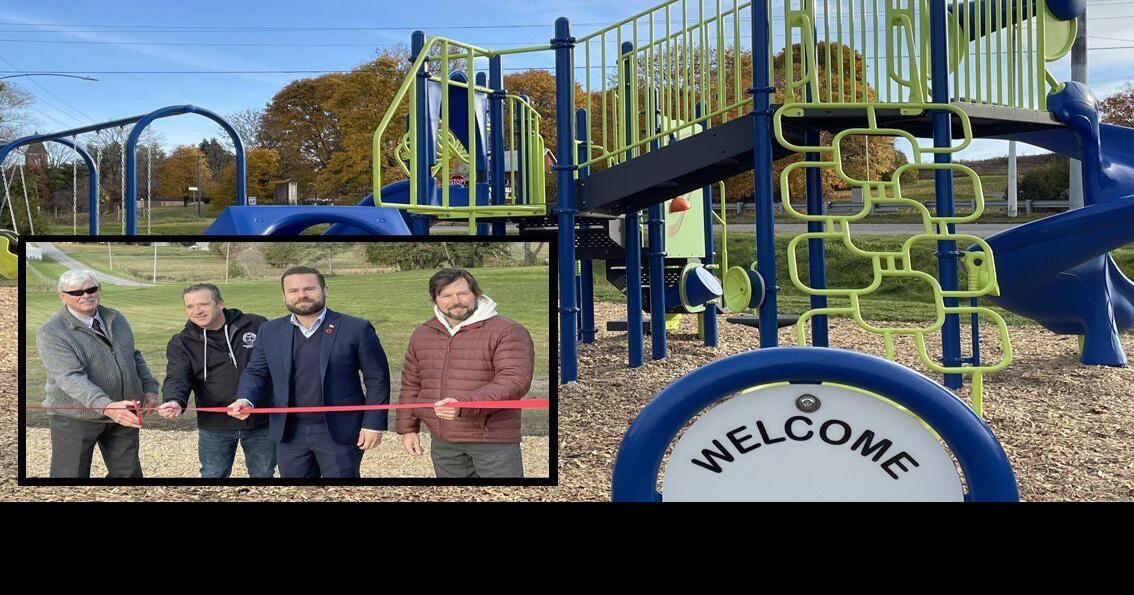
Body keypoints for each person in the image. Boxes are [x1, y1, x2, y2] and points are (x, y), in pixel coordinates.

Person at [228, 266, 390, 478]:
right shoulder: (269, 330)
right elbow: (256, 372)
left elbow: (377, 379)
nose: (301, 295)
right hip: (289, 432)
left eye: (309, 289)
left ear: (325, 290)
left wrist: (373, 424)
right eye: (293, 291)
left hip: (339, 432)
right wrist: (246, 399)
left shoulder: (356, 328)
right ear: (283, 295)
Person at [395, 268, 535, 478]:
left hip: (493, 441)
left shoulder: (507, 331)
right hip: (444, 444)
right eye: (446, 296)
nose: (456, 301)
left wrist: (463, 404)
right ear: (435, 300)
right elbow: (411, 384)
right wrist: (408, 429)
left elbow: (514, 381)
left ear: (476, 293)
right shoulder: (422, 334)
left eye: (462, 293)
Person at [36, 269, 160, 478]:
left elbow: (133, 355)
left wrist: (149, 388)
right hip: (74, 417)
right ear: (62, 296)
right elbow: (70, 378)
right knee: (69, 476)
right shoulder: (51, 332)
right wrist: (106, 406)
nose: (86, 295)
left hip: (123, 410)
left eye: (91, 289)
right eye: (77, 292)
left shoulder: (115, 317)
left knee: (129, 476)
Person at [156, 283, 274, 478]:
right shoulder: (182, 342)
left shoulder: (256, 325)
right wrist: (174, 400)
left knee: (263, 473)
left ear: (220, 303)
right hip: (215, 424)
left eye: (203, 304)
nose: (197, 311)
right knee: (213, 474)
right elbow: (177, 377)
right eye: (190, 306)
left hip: (260, 420)